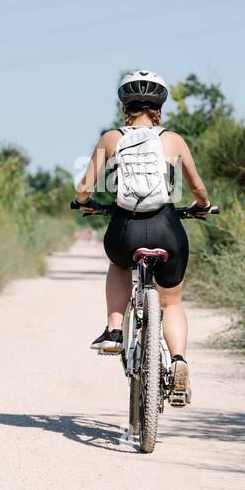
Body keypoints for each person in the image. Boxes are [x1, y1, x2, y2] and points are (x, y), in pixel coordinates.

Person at [74, 70, 211, 401]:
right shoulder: (173, 140)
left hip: (126, 229)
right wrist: (203, 205)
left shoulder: (111, 138)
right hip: (167, 227)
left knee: (119, 263)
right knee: (173, 300)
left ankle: (114, 330)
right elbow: (197, 187)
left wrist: (85, 204)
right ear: (159, 108)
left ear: (125, 106)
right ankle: (178, 360)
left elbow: (84, 188)